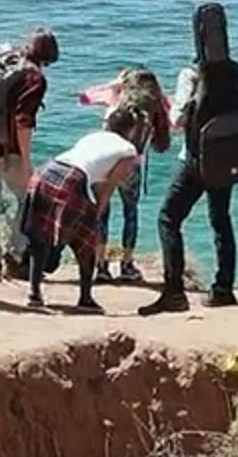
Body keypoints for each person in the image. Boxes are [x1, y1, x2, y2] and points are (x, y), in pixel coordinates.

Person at [141, 3, 238, 315]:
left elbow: (178, 121)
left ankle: (174, 293)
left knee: (168, 219)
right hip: (228, 159)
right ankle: (223, 289)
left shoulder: (192, 74)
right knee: (221, 221)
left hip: (197, 160)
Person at [20, 104, 149, 312]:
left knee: (40, 237)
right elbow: (107, 186)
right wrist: (97, 212)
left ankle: (34, 294)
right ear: (131, 130)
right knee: (86, 241)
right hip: (72, 178)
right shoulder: (128, 150)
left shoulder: (92, 137)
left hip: (46, 170)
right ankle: (85, 298)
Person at [0, 29, 60, 278]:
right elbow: (23, 122)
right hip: (2, 149)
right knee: (30, 200)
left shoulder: (9, 60)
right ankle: (16, 256)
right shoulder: (35, 79)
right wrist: (26, 161)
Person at [77, 68, 173, 283]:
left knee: (102, 212)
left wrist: (114, 84)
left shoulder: (116, 98)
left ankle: (101, 265)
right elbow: (163, 142)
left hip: (105, 162)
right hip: (131, 165)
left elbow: (84, 98)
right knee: (131, 212)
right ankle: (127, 265)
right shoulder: (155, 106)